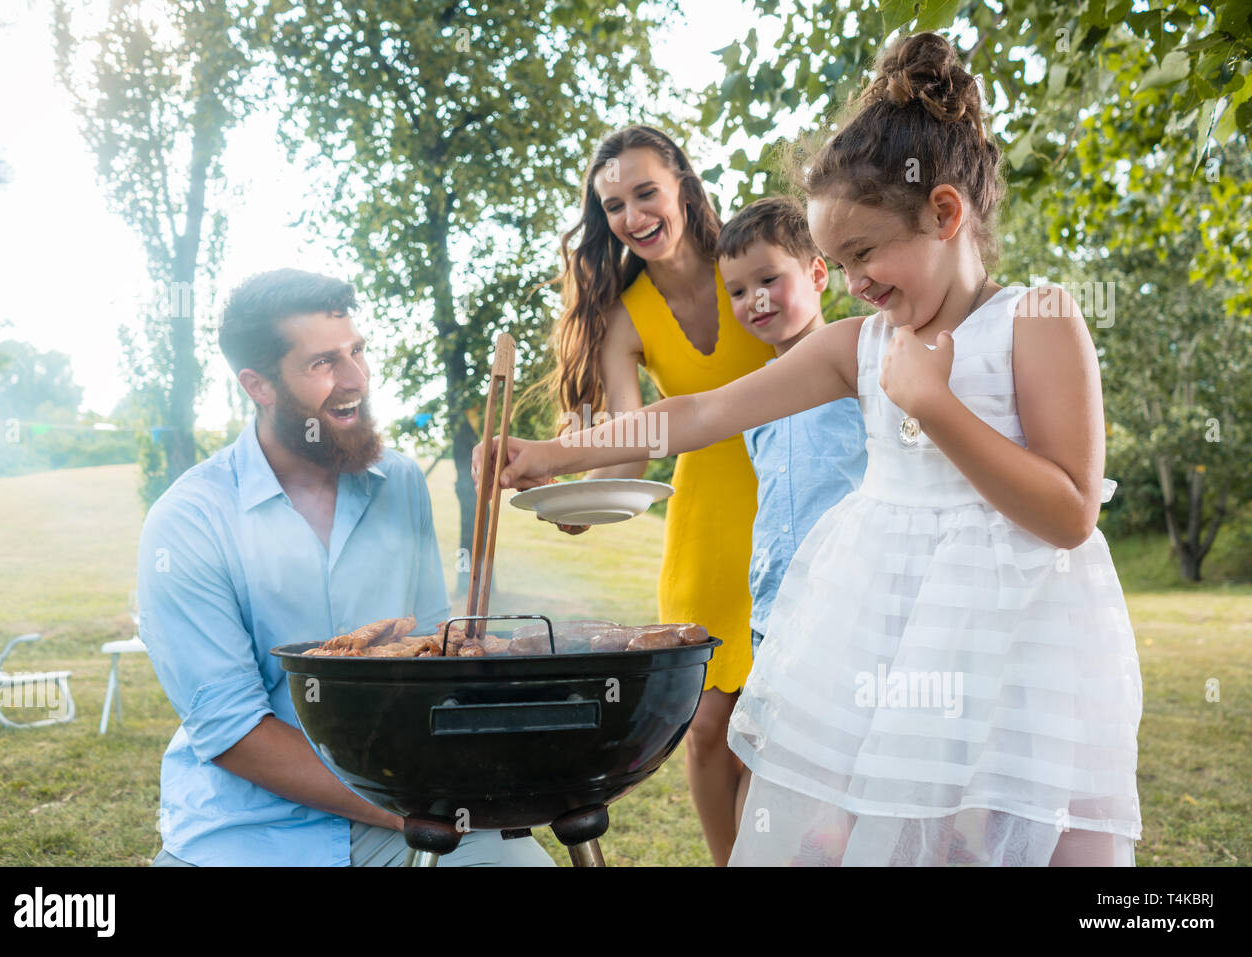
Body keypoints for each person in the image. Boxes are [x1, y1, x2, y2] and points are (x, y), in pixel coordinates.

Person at [475, 32, 1142, 866]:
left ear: (944, 212)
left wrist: (932, 403)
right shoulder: (856, 346)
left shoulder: (1037, 320)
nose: (854, 282)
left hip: (1016, 639)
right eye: (835, 261)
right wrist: (552, 455)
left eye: (864, 254)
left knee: (1025, 836)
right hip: (880, 633)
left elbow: (1070, 512)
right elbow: (698, 413)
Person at [139, 268, 553, 867]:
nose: (356, 379)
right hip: (248, 830)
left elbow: (429, 646)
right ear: (258, 385)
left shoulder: (402, 480)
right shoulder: (189, 521)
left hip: (407, 801)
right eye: (321, 363)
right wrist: (413, 809)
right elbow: (232, 732)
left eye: (357, 351)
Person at [527, 125, 775, 864]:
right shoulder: (624, 312)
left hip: (791, 498)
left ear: (683, 189)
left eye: (644, 193)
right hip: (706, 519)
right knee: (706, 723)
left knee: (781, 723)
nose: (632, 217)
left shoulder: (750, 255)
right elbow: (631, 435)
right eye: (612, 205)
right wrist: (579, 496)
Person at [715, 196, 867, 827]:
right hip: (776, 618)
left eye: (769, 279)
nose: (755, 300)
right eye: (738, 290)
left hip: (849, 613)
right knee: (768, 772)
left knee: (846, 782)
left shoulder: (858, 363)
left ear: (817, 273)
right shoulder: (759, 401)